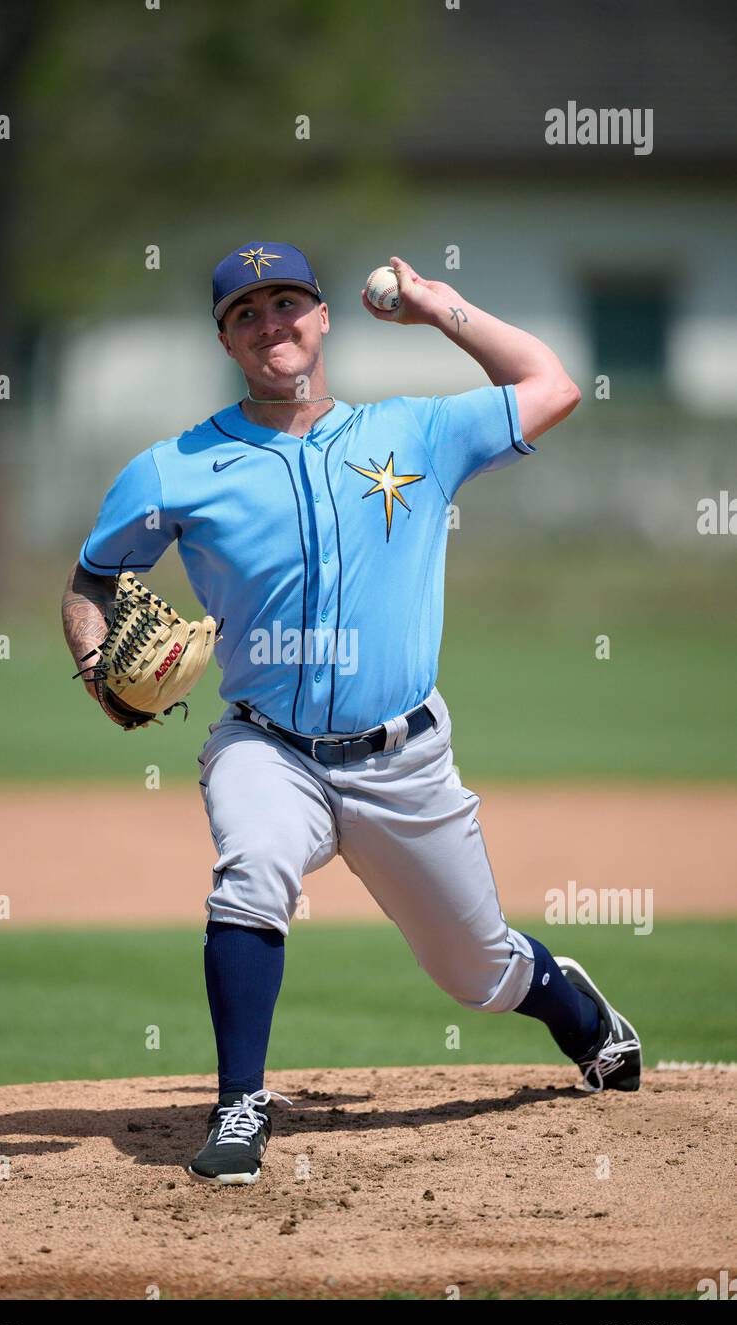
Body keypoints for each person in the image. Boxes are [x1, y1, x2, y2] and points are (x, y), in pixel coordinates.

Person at [61, 241, 641, 1187]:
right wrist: (95, 661)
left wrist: (442, 309)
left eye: (287, 302)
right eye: (245, 313)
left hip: (403, 758)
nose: (270, 324)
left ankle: (578, 1011)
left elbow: (554, 385)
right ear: (225, 339)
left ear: (322, 317)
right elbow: (91, 578)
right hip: (266, 744)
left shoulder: (416, 433)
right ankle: (241, 1105)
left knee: (477, 971)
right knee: (252, 869)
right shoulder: (177, 468)